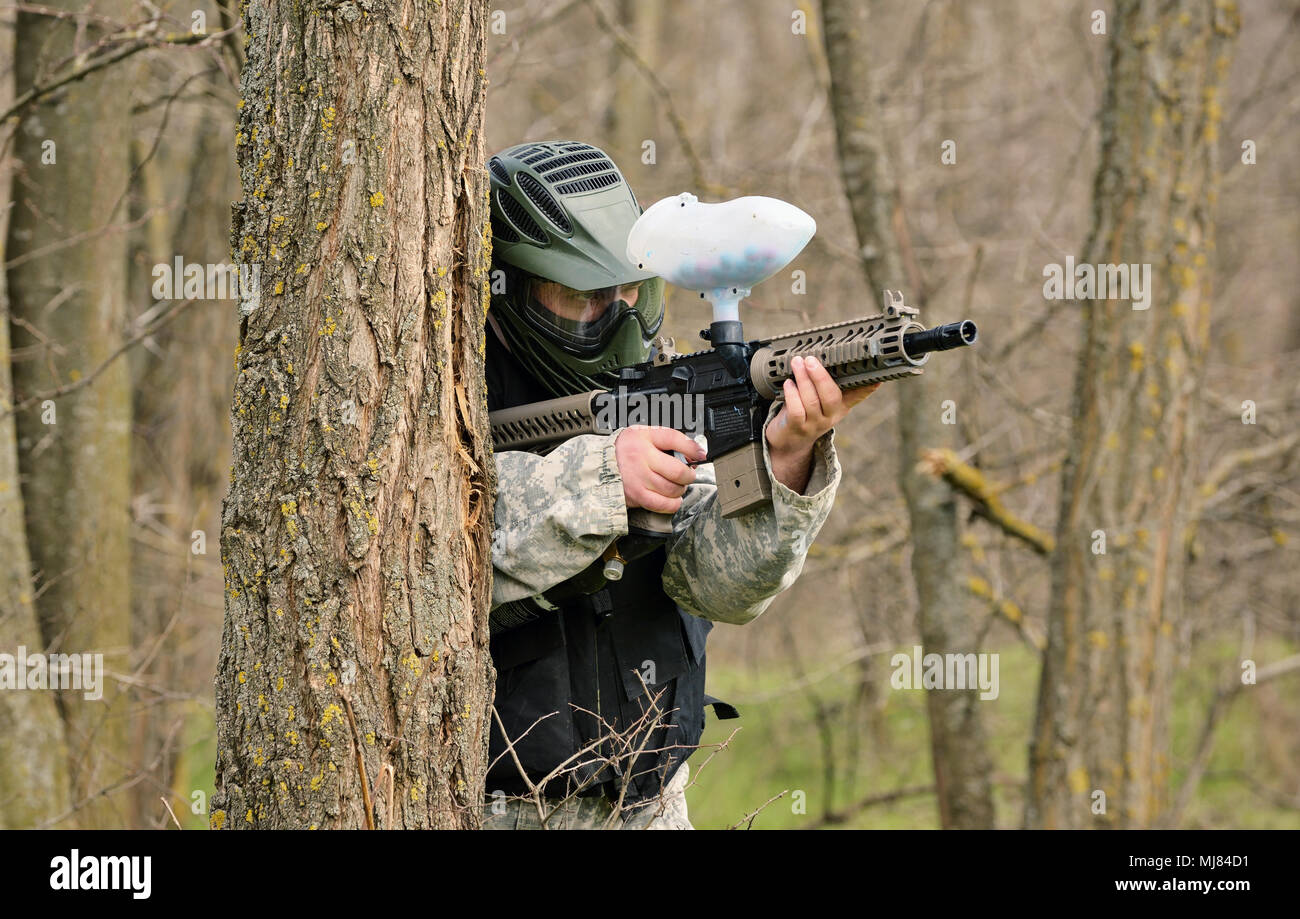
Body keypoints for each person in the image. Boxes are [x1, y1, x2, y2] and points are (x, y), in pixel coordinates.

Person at [481, 140, 877, 829]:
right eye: (583, 298)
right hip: (501, 809)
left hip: (654, 800)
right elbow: (444, 541)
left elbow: (718, 586)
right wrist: (608, 477)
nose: (619, 321)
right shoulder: (453, 385)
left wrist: (784, 458)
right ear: (513, 289)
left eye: (633, 293)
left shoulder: (663, 380)